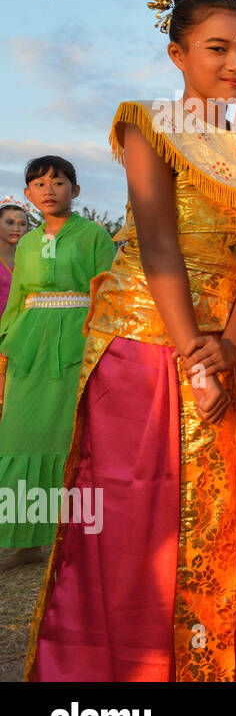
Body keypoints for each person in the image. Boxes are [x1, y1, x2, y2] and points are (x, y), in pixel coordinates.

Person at [27, 0, 236, 680]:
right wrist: (196, 357)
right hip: (143, 340)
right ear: (178, 55)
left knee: (216, 519)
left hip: (220, 346)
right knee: (134, 521)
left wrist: (231, 341)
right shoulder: (148, 124)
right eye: (218, 48)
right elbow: (159, 241)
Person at [0, 160, 114, 569]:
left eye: (58, 182)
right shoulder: (27, 244)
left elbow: (107, 292)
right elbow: (17, 298)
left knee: (73, 438)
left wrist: (103, 346)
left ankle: (77, 542)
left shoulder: (95, 235)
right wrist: (5, 344)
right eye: (39, 183)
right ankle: (24, 542)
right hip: (29, 343)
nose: (49, 189)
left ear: (75, 190)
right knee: (18, 438)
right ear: (29, 195)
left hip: (77, 343)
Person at [0, 198, 30, 328]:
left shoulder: (30, 260)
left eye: (22, 224)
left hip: (22, 330)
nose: (16, 229)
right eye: (10, 222)